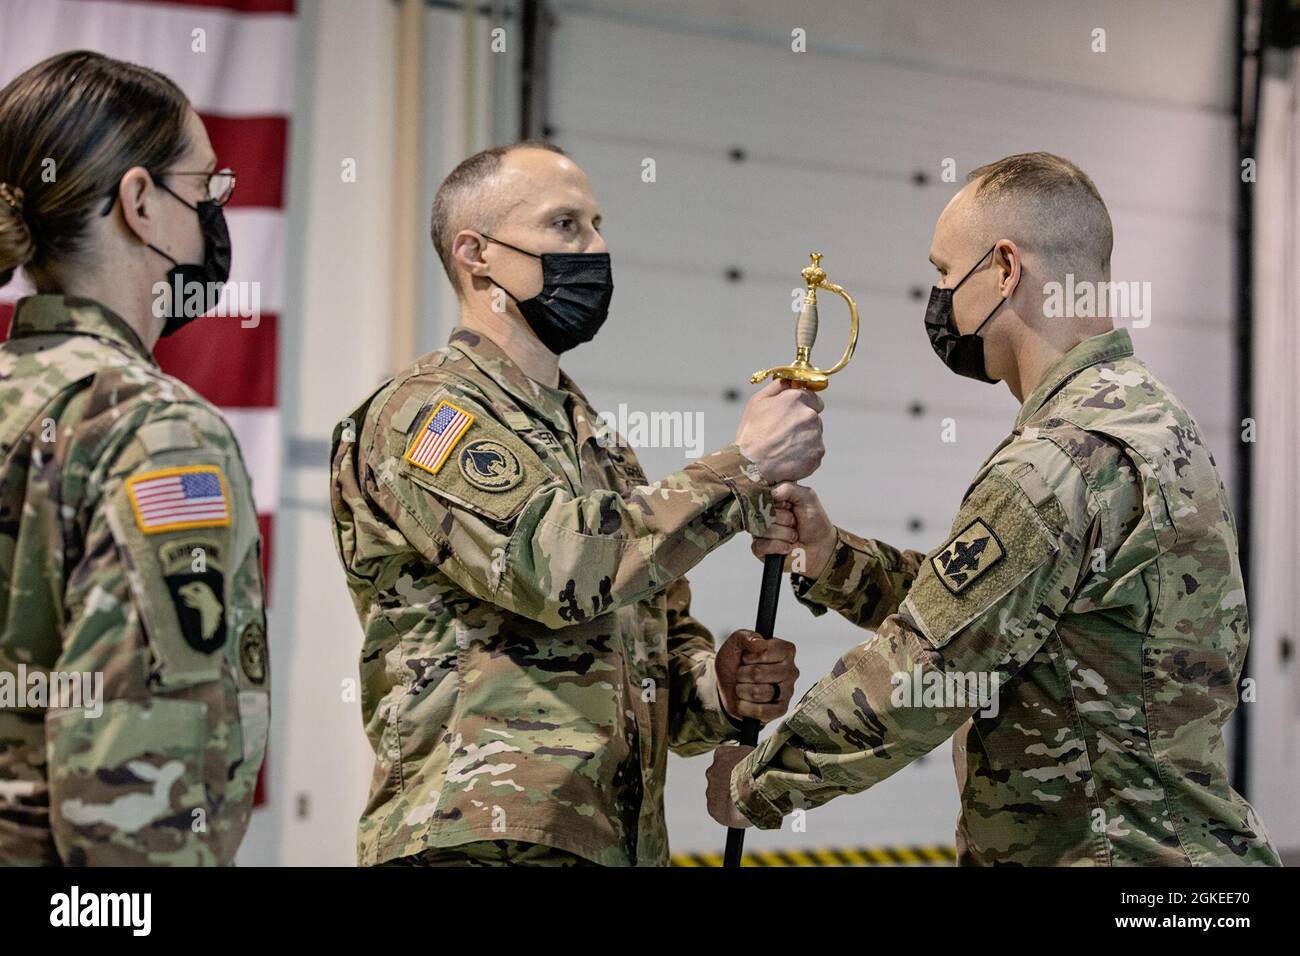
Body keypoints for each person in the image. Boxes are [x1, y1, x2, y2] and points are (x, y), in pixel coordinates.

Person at [706, 151, 1280, 867]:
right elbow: (1006, 616)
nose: (939, 296)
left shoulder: (1060, 458)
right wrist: (833, 560)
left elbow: (923, 673)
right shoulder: (1154, 421)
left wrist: (755, 784)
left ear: (1005, 269)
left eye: (945, 273)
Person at [329, 141, 819, 866]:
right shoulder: (426, 414)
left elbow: (655, 645)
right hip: (479, 839)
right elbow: (558, 568)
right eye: (565, 226)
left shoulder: (601, 447)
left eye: (596, 224)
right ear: (478, 254)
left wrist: (720, 685)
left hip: (612, 840)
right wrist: (742, 468)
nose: (597, 248)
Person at [0, 51, 268, 865]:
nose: (216, 219)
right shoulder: (151, 429)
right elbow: (131, 808)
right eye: (209, 190)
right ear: (141, 203)